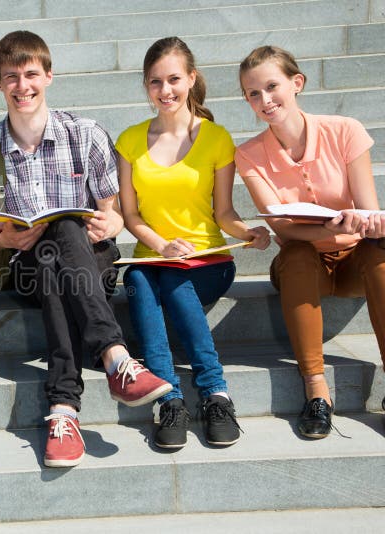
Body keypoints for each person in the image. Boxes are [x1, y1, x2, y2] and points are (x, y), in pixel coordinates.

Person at [0, 31, 172, 468]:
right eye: (11, 77)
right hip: (25, 268)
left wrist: (113, 222)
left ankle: (63, 410)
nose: (22, 86)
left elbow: (115, 214)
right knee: (48, 253)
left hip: (91, 261)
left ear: (48, 75)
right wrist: (5, 238)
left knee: (65, 229)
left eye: (31, 74)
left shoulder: (85, 134)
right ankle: (116, 359)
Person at [116, 37, 270, 449]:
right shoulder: (129, 141)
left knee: (177, 285)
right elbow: (130, 217)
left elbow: (224, 214)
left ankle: (215, 391)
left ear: (191, 79)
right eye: (155, 82)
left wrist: (248, 234)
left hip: (208, 261)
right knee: (140, 278)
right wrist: (162, 246)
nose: (165, 91)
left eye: (173, 79)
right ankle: (170, 399)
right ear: (146, 86)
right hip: (154, 259)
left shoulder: (217, 138)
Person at [235, 45, 385, 438]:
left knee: (381, 255)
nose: (265, 100)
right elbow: (281, 227)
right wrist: (330, 230)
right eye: (253, 93)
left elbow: (369, 212)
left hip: (355, 260)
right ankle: (316, 391)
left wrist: (364, 224)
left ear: (296, 83)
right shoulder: (248, 155)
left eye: (272, 86)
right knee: (299, 254)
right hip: (303, 268)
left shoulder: (345, 131)